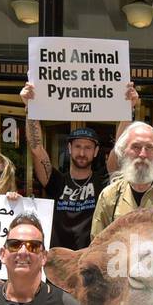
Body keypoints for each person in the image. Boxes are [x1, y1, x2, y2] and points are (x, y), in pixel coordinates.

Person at [18, 82, 130, 250]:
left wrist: (128, 109)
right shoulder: (56, 181)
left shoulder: (103, 180)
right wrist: (30, 108)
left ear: (96, 151)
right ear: (69, 149)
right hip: (60, 263)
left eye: (88, 147)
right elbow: (36, 148)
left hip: (91, 262)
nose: (82, 153)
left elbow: (119, 149)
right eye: (78, 146)